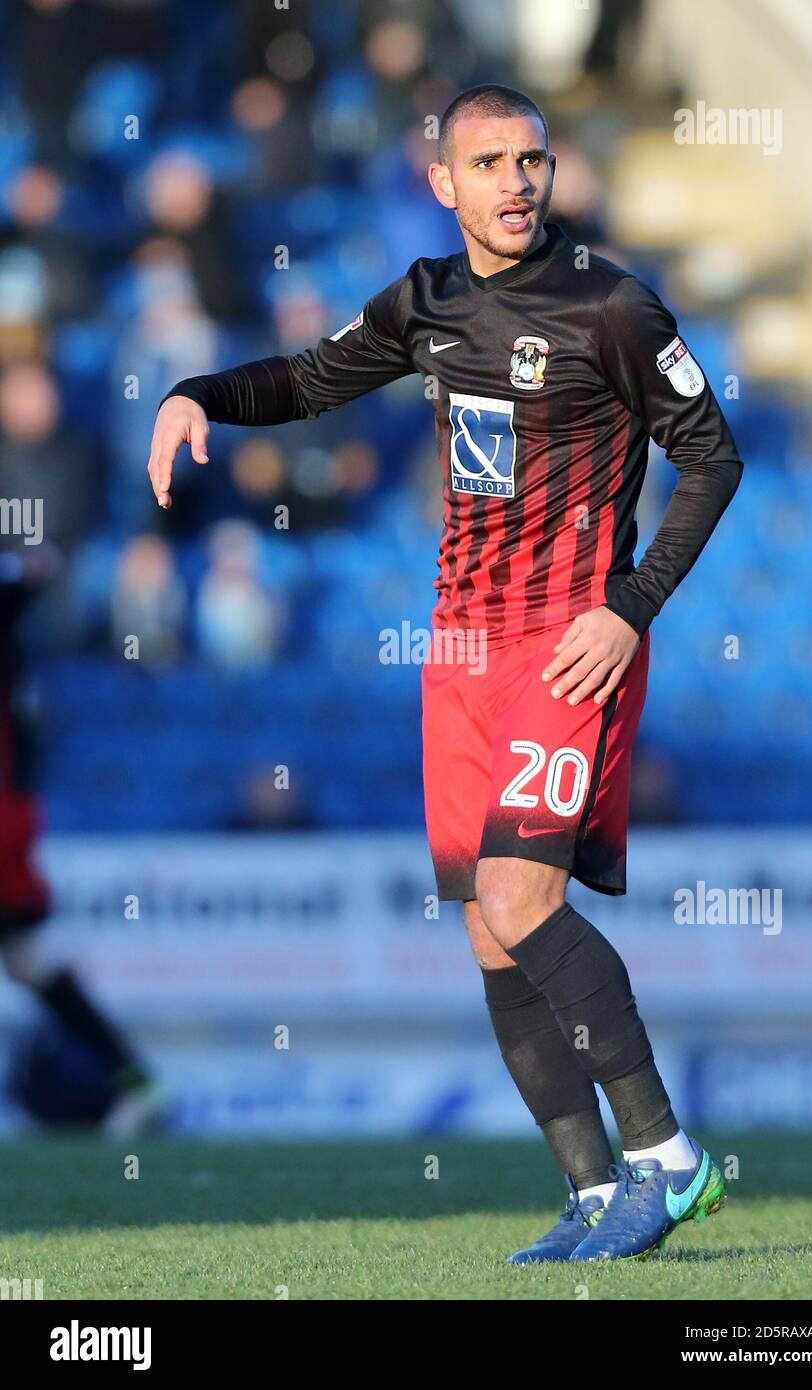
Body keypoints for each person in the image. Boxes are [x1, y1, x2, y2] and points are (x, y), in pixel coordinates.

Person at [146, 85, 742, 1262]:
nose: (515, 182)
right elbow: (312, 380)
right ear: (443, 184)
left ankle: (666, 1159)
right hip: (457, 651)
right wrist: (196, 393)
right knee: (486, 928)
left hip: (564, 647)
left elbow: (711, 457)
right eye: (488, 163)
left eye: (530, 159)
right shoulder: (429, 301)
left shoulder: (611, 307)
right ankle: (586, 1192)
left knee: (525, 903)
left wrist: (628, 609)